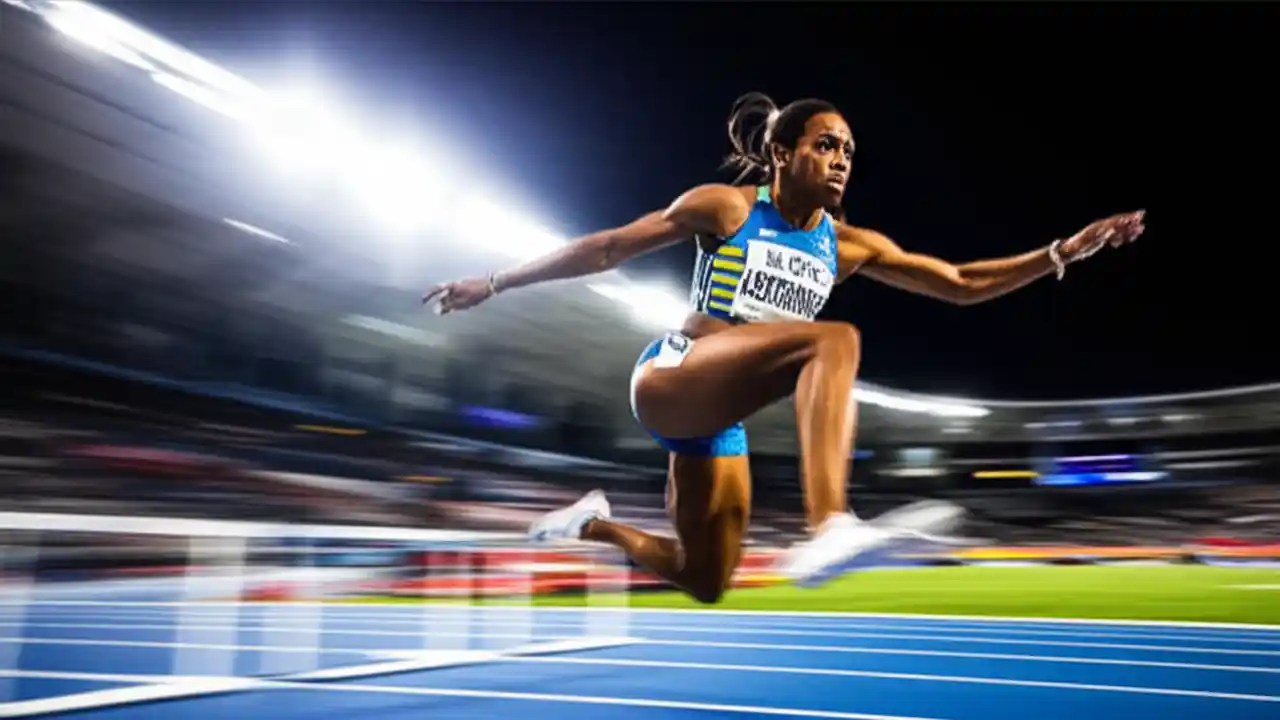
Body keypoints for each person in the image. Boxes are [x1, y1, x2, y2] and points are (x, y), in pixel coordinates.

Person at [423, 92, 1145, 602]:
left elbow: (958, 282)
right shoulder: (728, 208)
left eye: (850, 152)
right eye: (826, 145)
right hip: (671, 376)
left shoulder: (849, 245)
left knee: (707, 581)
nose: (841, 160)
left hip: (718, 421)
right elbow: (609, 247)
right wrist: (495, 280)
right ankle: (829, 522)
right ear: (781, 152)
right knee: (834, 341)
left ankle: (590, 522)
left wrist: (1062, 252)